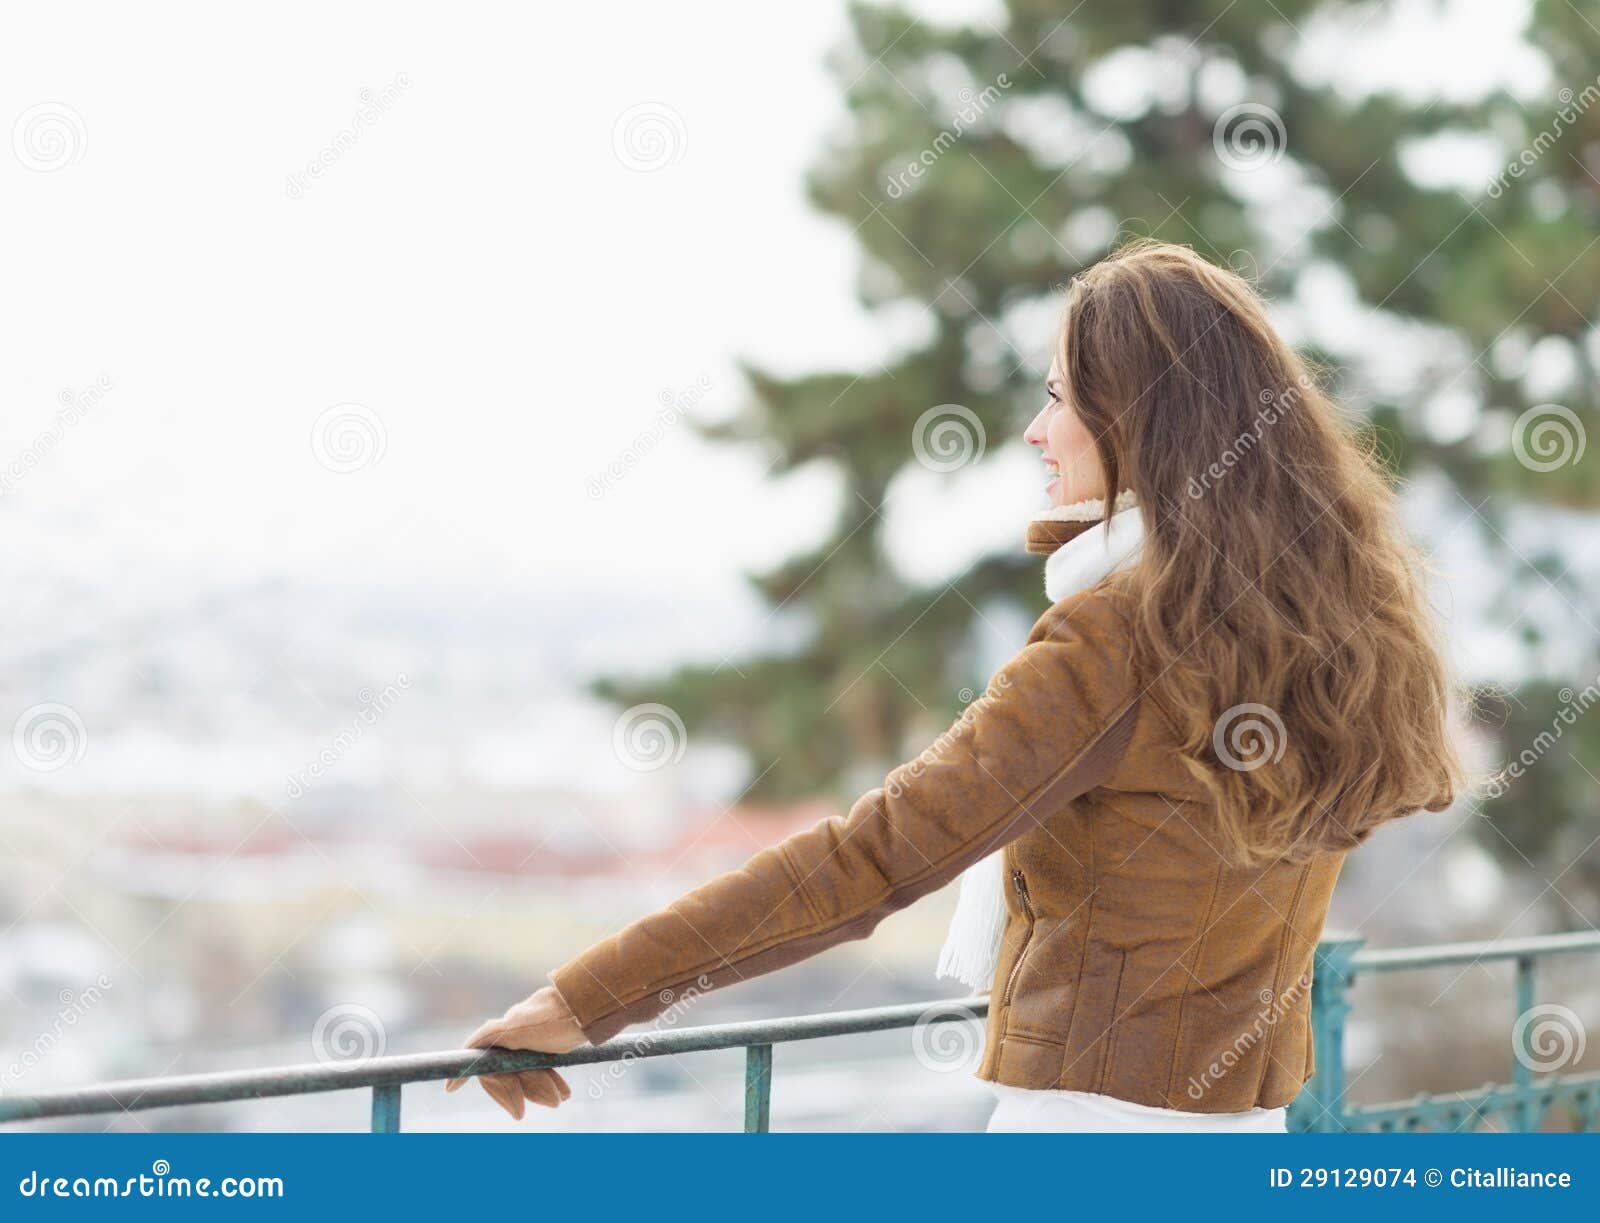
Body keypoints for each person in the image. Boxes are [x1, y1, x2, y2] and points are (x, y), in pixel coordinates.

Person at [446, 239, 1464, 1131]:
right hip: (1246, 1130)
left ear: (1138, 419)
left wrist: (585, 997)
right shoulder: (1325, 631)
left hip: (1088, 1132)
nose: (1035, 430)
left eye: (1058, 397)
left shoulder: (1119, 636)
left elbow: (874, 854)